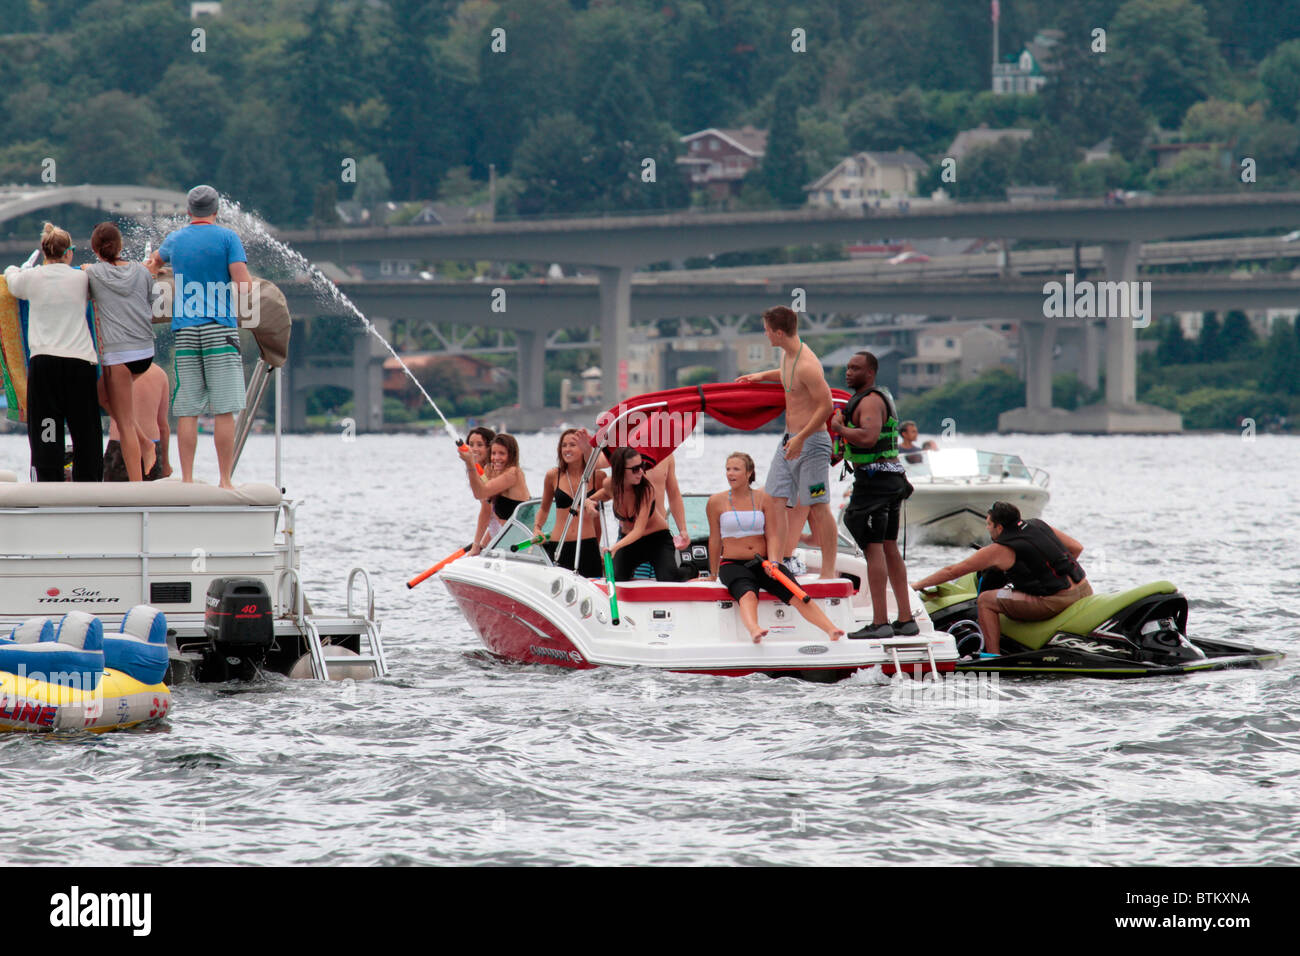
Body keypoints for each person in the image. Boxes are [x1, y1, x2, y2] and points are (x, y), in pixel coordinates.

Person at [146, 185, 252, 489]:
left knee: (189, 410)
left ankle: (188, 479)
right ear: (216, 210)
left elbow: (153, 264)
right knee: (223, 409)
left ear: (188, 211)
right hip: (219, 327)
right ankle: (224, 480)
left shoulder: (175, 239)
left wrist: (163, 269)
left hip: (186, 330)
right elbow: (243, 284)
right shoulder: (228, 238)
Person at [911, 501, 1092, 655]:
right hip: (1084, 589)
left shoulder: (999, 549)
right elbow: (1076, 548)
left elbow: (953, 571)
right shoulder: (1039, 524)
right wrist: (1045, 573)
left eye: (989, 524)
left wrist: (918, 585)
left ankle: (992, 655)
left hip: (1055, 601)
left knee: (985, 600)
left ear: (999, 527)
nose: (988, 528)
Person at [735, 305, 836, 579]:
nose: (765, 335)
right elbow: (787, 377)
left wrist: (802, 439)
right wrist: (760, 377)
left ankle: (828, 571)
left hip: (812, 444)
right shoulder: (787, 354)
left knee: (819, 504)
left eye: (767, 331)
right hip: (789, 441)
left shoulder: (808, 364)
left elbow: (826, 406)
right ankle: (776, 563)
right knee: (773, 498)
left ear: (779, 332)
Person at [706, 453, 845, 643]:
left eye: (736, 469)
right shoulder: (716, 501)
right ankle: (755, 630)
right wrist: (713, 574)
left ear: (749, 473)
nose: (730, 473)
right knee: (747, 594)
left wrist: (773, 562)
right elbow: (714, 540)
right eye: (728, 469)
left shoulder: (764, 498)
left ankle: (831, 629)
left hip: (763, 562)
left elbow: (772, 534)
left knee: (796, 593)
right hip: (733, 564)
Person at [3, 223, 102, 482]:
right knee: (86, 430)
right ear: (68, 252)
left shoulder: (32, 278)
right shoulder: (81, 278)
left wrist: (21, 268)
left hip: (45, 363)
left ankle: (49, 482)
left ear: (44, 251)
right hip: (80, 363)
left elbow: (11, 278)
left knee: (47, 428)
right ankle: (90, 483)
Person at [831, 351, 917, 640]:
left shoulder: (869, 401)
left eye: (855, 368)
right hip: (892, 480)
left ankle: (880, 621)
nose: (848, 372)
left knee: (874, 548)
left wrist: (839, 429)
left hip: (876, 484)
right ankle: (905, 619)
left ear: (870, 373)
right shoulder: (874, 398)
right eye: (847, 367)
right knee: (889, 547)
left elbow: (868, 437)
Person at [84, 222, 156, 481]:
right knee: (102, 395)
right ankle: (146, 442)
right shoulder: (142, 272)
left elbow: (86, 294)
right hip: (145, 353)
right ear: (121, 245)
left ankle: (137, 487)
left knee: (124, 423)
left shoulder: (92, 273)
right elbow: (148, 301)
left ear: (95, 248)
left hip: (119, 357)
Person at [589, 447, 677, 581]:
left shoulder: (646, 490)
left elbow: (638, 530)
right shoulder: (610, 484)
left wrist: (615, 547)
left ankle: (692, 570)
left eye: (642, 466)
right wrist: (588, 502)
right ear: (620, 470)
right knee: (617, 577)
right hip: (630, 540)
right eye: (635, 469)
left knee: (669, 577)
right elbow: (603, 495)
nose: (641, 472)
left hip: (657, 540)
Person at [533, 428, 605, 577]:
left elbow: (599, 518)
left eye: (572, 445)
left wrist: (597, 547)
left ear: (583, 447)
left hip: (588, 546)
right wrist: (537, 527)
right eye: (563, 445)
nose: (567, 449)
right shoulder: (553, 475)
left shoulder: (598, 476)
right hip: (559, 545)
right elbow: (544, 509)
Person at [460, 433, 530, 556]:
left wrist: (470, 464)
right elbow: (486, 508)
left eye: (502, 453)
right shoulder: (490, 470)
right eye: (493, 453)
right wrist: (480, 546)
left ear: (512, 455)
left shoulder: (514, 473)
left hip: (523, 545)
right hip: (504, 541)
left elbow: (480, 493)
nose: (496, 458)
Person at [104, 363, 171, 481]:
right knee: (150, 497)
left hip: (120, 442)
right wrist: (166, 463)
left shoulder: (115, 370)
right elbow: (163, 427)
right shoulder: (160, 374)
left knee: (115, 497)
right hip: (152, 445)